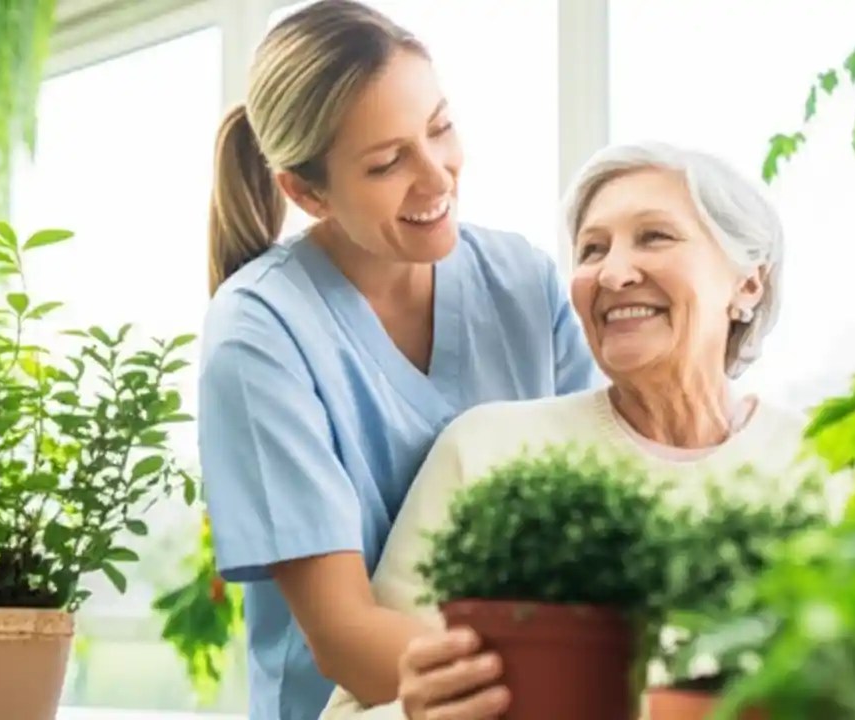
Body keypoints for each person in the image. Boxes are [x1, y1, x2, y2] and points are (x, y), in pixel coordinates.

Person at [196, 1, 600, 718]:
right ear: (307, 192)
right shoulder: (259, 332)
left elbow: (598, 520)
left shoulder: (523, 283)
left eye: (439, 128)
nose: (437, 177)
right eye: (387, 163)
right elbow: (344, 637)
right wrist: (540, 689)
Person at [318, 140, 809, 720]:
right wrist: (413, 714)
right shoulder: (489, 452)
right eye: (592, 249)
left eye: (655, 236)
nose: (613, 273)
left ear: (748, 284)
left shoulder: (826, 465)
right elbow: (348, 713)